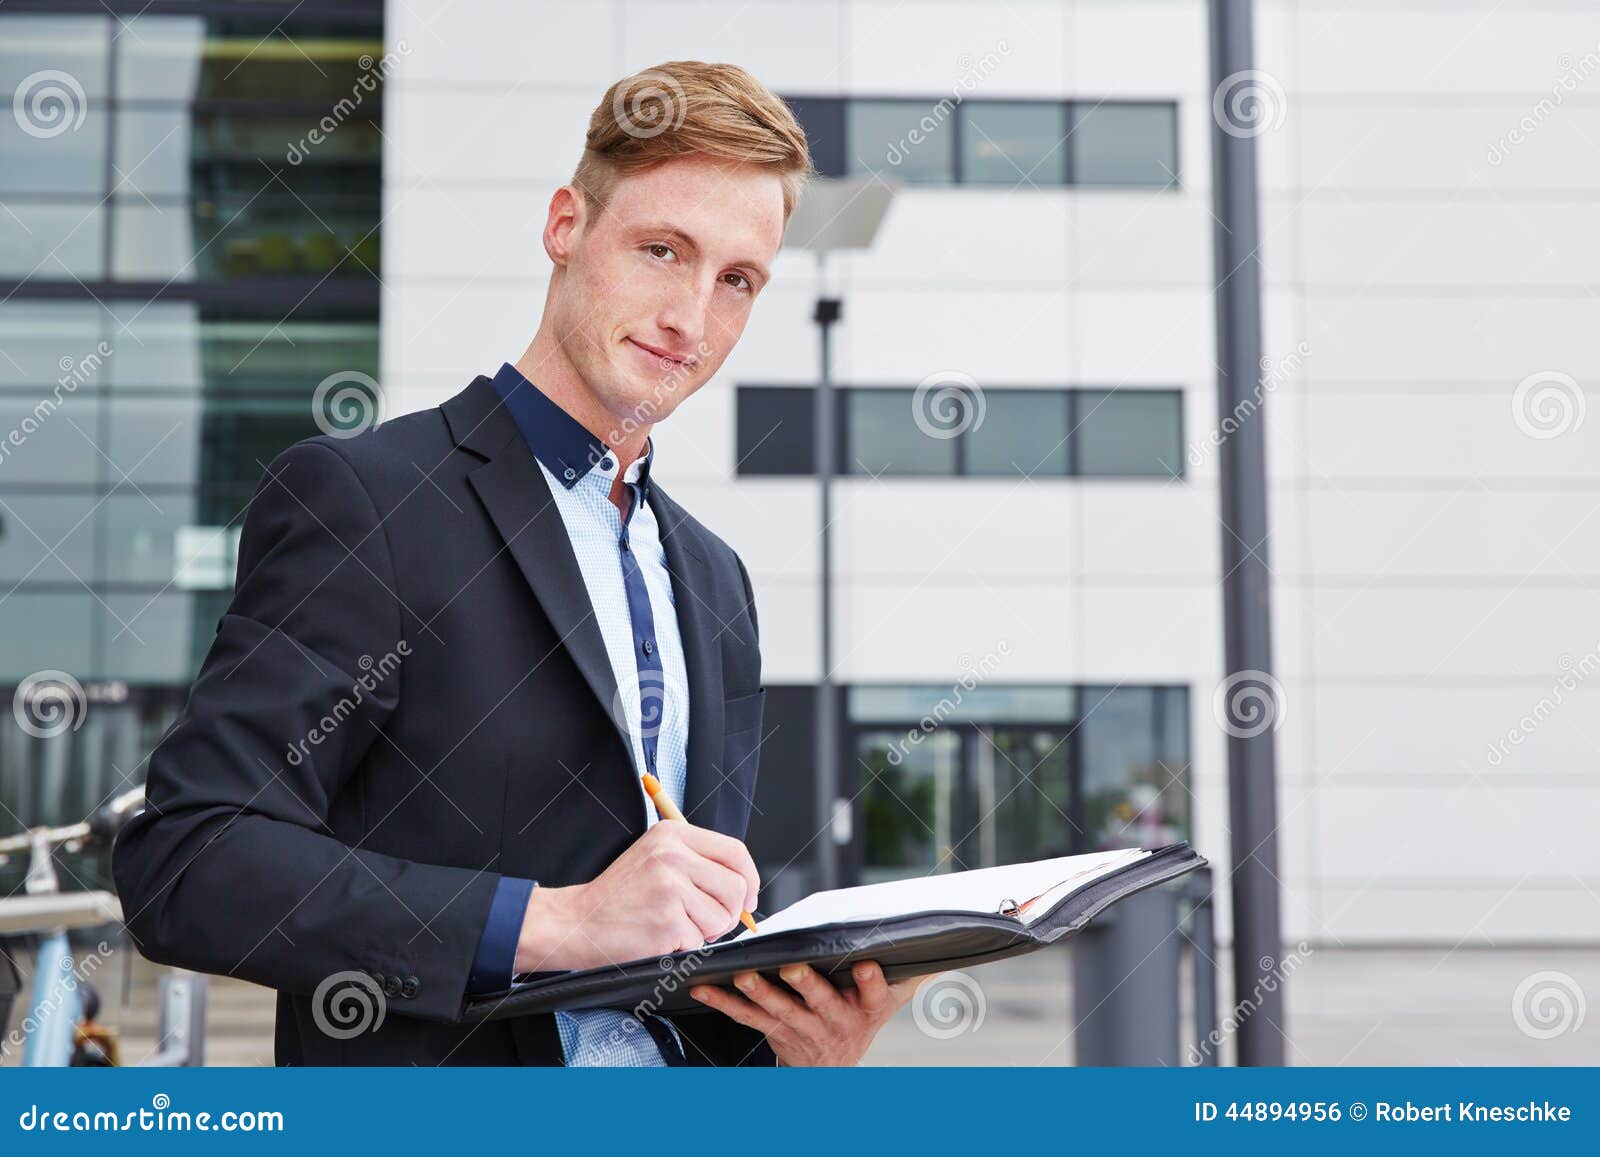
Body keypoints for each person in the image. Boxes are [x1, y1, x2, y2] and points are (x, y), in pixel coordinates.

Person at [113, 60, 924, 1066]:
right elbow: (188, 861)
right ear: (565, 227)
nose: (691, 319)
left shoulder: (715, 583)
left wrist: (799, 1047)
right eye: (662, 250)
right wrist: (554, 922)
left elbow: (676, 950)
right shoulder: (372, 499)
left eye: (736, 281)